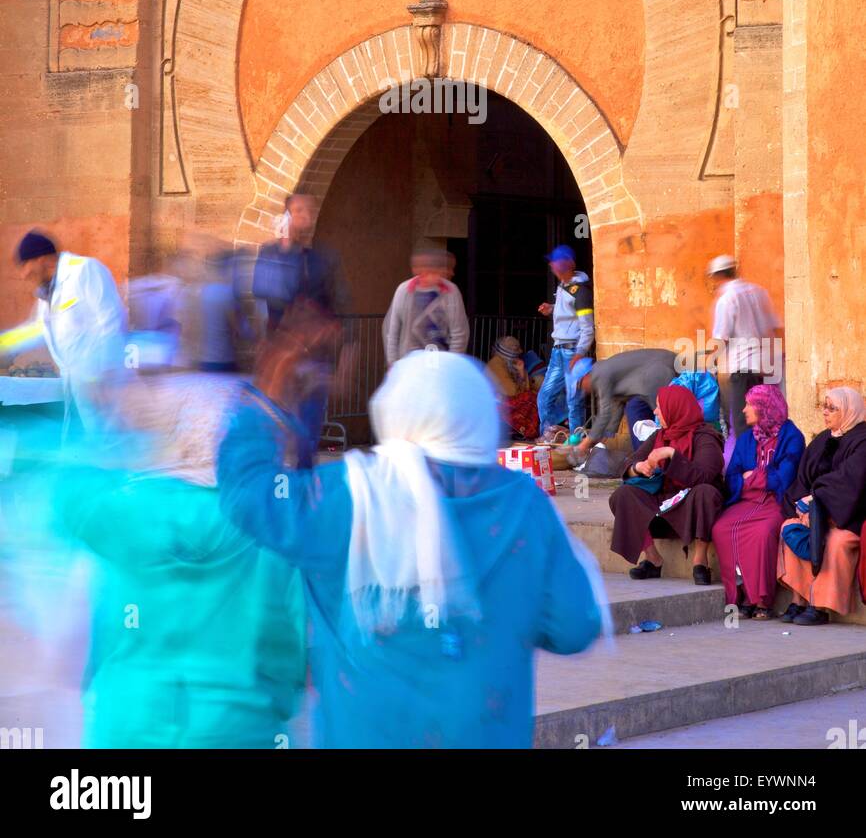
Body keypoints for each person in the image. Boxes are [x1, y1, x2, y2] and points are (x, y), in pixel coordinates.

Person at [217, 350, 609, 749]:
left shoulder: (348, 495)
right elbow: (574, 627)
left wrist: (266, 397)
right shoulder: (525, 506)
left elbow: (247, 495)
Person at [55, 374, 307, 748]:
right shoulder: (272, 533)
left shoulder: (116, 518)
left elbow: (72, 652)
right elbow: (290, 659)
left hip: (128, 729)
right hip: (239, 729)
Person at [12, 230, 127, 431]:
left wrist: (102, 373)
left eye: (25, 266)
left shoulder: (85, 270)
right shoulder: (48, 290)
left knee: (108, 438)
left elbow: (112, 320)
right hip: (75, 380)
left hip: (99, 379)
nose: (23, 275)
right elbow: (38, 329)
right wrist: (4, 343)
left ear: (42, 260)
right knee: (89, 439)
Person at [609, 385, 724, 584]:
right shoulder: (660, 436)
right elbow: (626, 465)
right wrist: (639, 467)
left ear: (675, 408)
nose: (654, 412)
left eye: (659, 407)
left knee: (706, 492)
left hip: (691, 505)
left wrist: (671, 455)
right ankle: (653, 559)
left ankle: (700, 560)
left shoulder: (705, 437)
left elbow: (704, 475)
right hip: (663, 504)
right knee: (624, 494)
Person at [711, 385, 805, 618]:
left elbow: (785, 476)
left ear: (765, 408)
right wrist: (756, 478)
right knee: (721, 528)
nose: (743, 410)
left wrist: (752, 476)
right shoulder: (746, 440)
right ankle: (740, 595)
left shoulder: (791, 437)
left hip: (775, 501)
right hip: (746, 501)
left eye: (749, 404)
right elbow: (733, 475)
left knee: (763, 533)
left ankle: (762, 600)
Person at [777, 387, 866, 625]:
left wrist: (819, 508)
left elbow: (850, 484)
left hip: (847, 516)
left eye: (832, 408)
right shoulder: (822, 439)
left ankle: (821, 606)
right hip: (817, 511)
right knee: (790, 526)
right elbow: (803, 478)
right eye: (824, 407)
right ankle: (799, 599)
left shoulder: (862, 441)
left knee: (835, 541)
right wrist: (801, 507)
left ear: (849, 410)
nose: (825, 412)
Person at [707, 255, 782, 437]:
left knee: (743, 422)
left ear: (717, 276)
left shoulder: (727, 299)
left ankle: (748, 461)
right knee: (766, 418)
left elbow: (722, 338)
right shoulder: (759, 292)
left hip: (743, 367)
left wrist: (711, 363)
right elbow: (776, 327)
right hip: (767, 367)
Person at [252, 194, 348, 334]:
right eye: (298, 210)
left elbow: (339, 299)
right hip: (283, 342)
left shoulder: (325, 256)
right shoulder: (270, 254)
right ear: (287, 216)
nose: (305, 216)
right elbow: (263, 301)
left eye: (310, 210)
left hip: (316, 345)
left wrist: (347, 337)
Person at [570, 348, 679, 461]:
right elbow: (617, 405)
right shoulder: (603, 372)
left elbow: (605, 413)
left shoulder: (599, 375)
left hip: (658, 372)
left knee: (665, 418)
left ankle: (668, 458)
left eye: (580, 385)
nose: (582, 390)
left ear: (585, 377)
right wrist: (604, 439)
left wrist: (585, 444)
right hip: (651, 376)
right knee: (633, 409)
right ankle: (643, 458)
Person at [535, 245, 594, 441]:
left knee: (574, 401)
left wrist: (579, 354)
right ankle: (550, 437)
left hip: (571, 351)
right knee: (545, 396)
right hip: (558, 350)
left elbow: (587, 328)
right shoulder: (564, 286)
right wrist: (551, 308)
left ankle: (576, 445)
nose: (552, 265)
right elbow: (569, 312)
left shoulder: (580, 290)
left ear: (568, 264)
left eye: (556, 261)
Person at [382, 244, 470, 364]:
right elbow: (392, 332)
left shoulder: (451, 291)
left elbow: (459, 334)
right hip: (409, 363)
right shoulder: (404, 290)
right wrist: (393, 363)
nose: (452, 273)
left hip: (441, 363)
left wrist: (451, 364)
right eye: (448, 268)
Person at [486, 336, 543, 442]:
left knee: (534, 395)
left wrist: (522, 373)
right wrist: (521, 375)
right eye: (516, 351)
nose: (519, 354)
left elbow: (524, 388)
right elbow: (512, 392)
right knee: (530, 397)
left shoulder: (508, 364)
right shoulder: (496, 364)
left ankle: (524, 431)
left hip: (504, 401)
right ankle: (524, 431)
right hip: (496, 404)